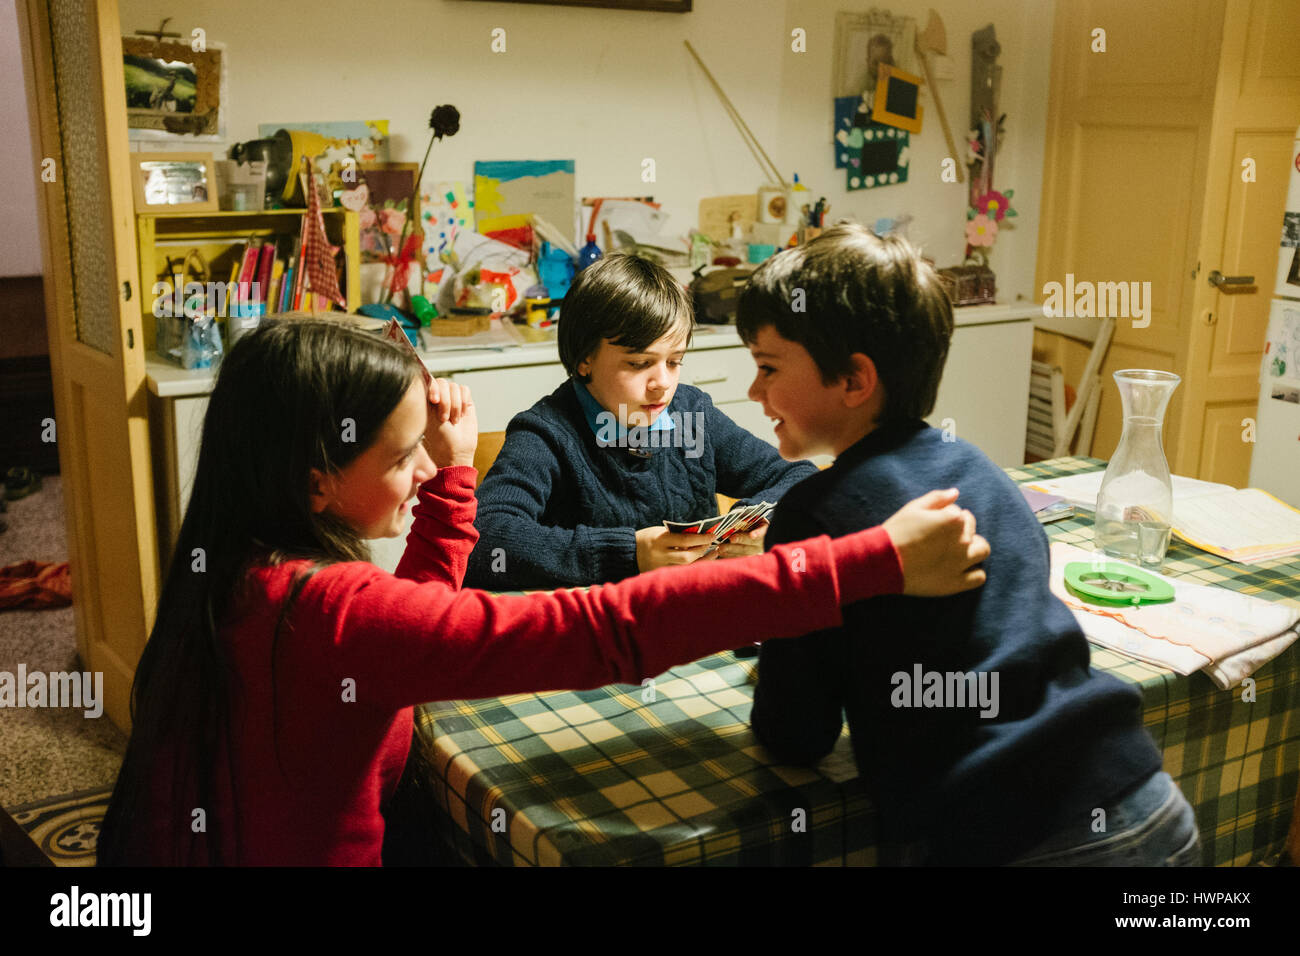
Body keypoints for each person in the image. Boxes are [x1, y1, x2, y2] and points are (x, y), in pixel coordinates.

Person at [96, 317, 989, 866]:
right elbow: (601, 631)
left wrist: (449, 475)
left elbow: (412, 634)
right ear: (317, 478)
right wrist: (870, 562)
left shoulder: (246, 570)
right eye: (399, 455)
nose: (419, 471)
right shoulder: (333, 609)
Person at [737, 224, 1199, 867]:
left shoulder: (811, 515)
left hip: (1020, 841)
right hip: (1150, 804)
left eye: (766, 367)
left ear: (854, 379)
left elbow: (794, 735)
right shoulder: (983, 471)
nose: (754, 392)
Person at [464, 253, 820, 591]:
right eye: (639, 364)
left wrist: (759, 525)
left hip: (690, 612)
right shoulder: (545, 435)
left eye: (674, 361)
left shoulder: (692, 414)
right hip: (596, 632)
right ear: (584, 358)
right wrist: (628, 553)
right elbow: (483, 541)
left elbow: (798, 476)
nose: (662, 383)